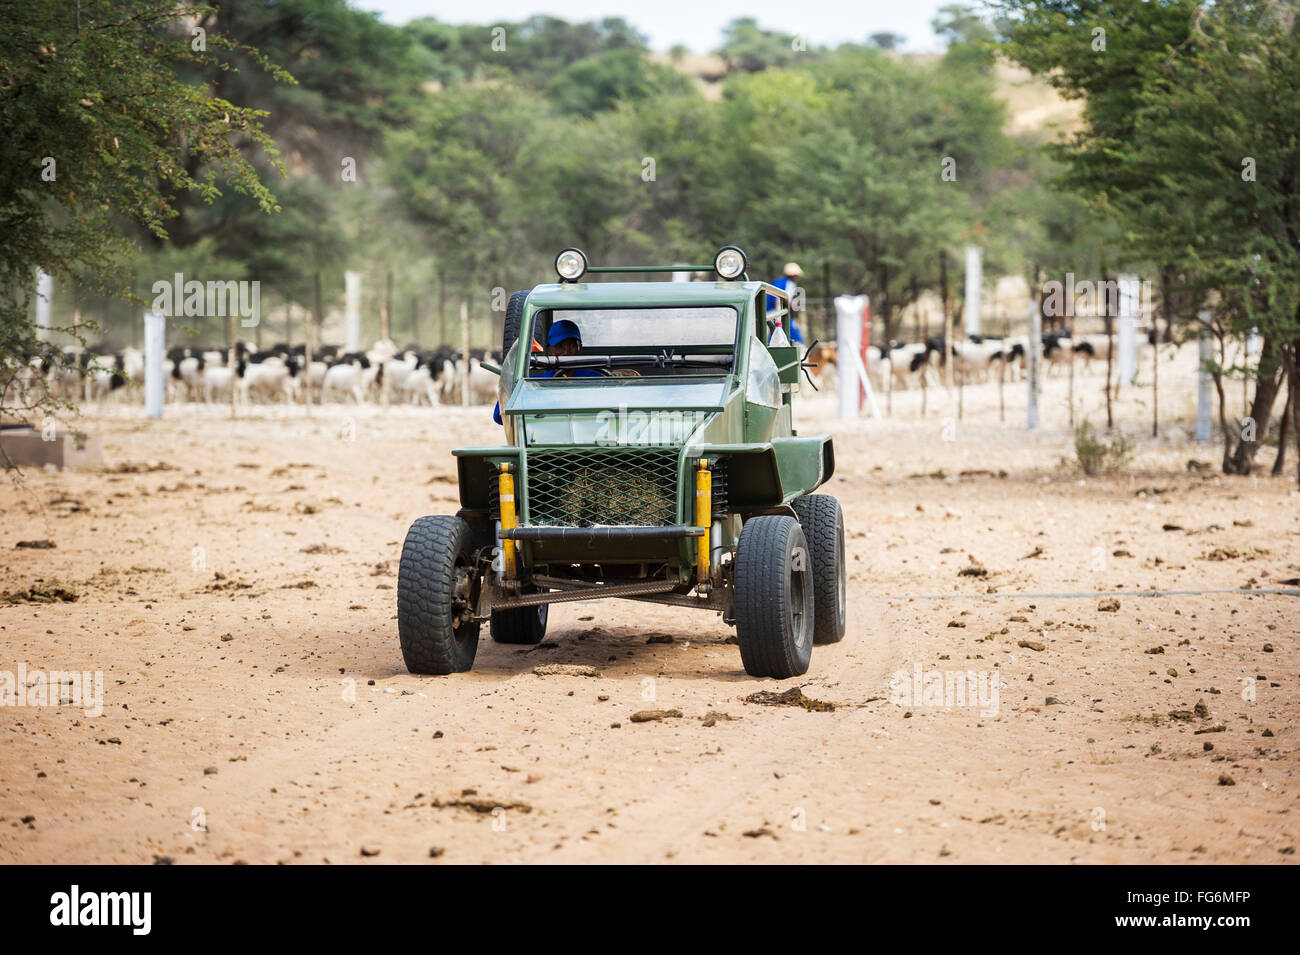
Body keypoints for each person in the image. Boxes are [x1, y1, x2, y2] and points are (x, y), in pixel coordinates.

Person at [492, 319, 599, 424]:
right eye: (560, 346)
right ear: (549, 350)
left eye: (572, 346)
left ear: (580, 348)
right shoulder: (536, 384)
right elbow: (499, 415)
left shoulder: (597, 379)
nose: (566, 352)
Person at [766, 262, 805, 344]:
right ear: (793, 275)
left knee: (774, 333)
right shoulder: (789, 284)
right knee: (793, 332)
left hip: (769, 311)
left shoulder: (778, 282)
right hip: (777, 312)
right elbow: (780, 299)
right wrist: (793, 304)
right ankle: (799, 347)